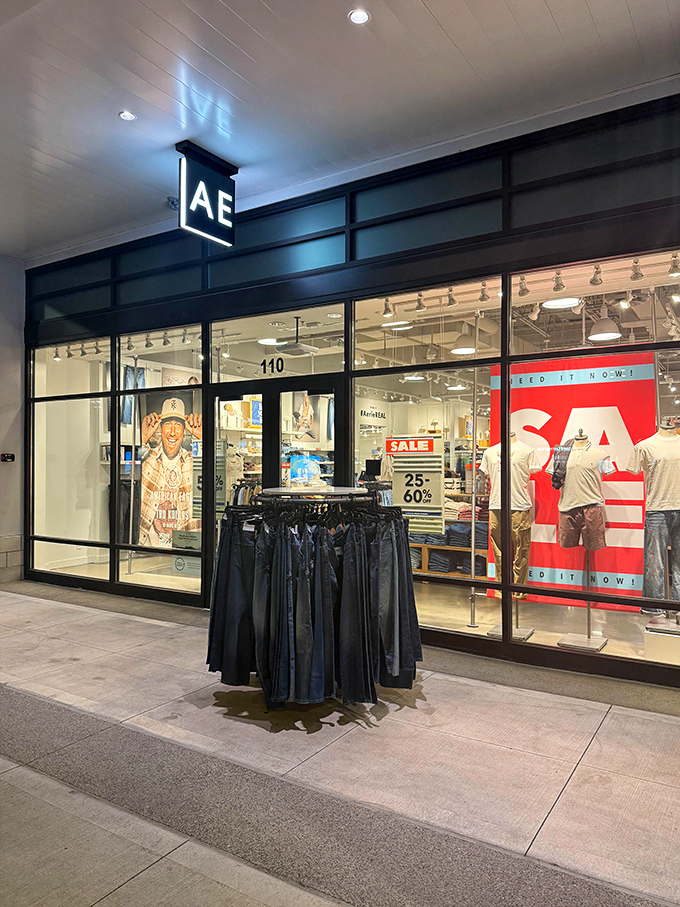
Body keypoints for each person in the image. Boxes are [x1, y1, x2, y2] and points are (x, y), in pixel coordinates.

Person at [138, 397, 202, 547]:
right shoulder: (148, 457)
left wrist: (202, 437)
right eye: (167, 424)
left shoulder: (192, 459)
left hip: (184, 545)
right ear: (160, 429)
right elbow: (127, 471)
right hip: (148, 546)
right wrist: (143, 437)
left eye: (178, 425)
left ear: (184, 430)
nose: (172, 432)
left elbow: (218, 471)